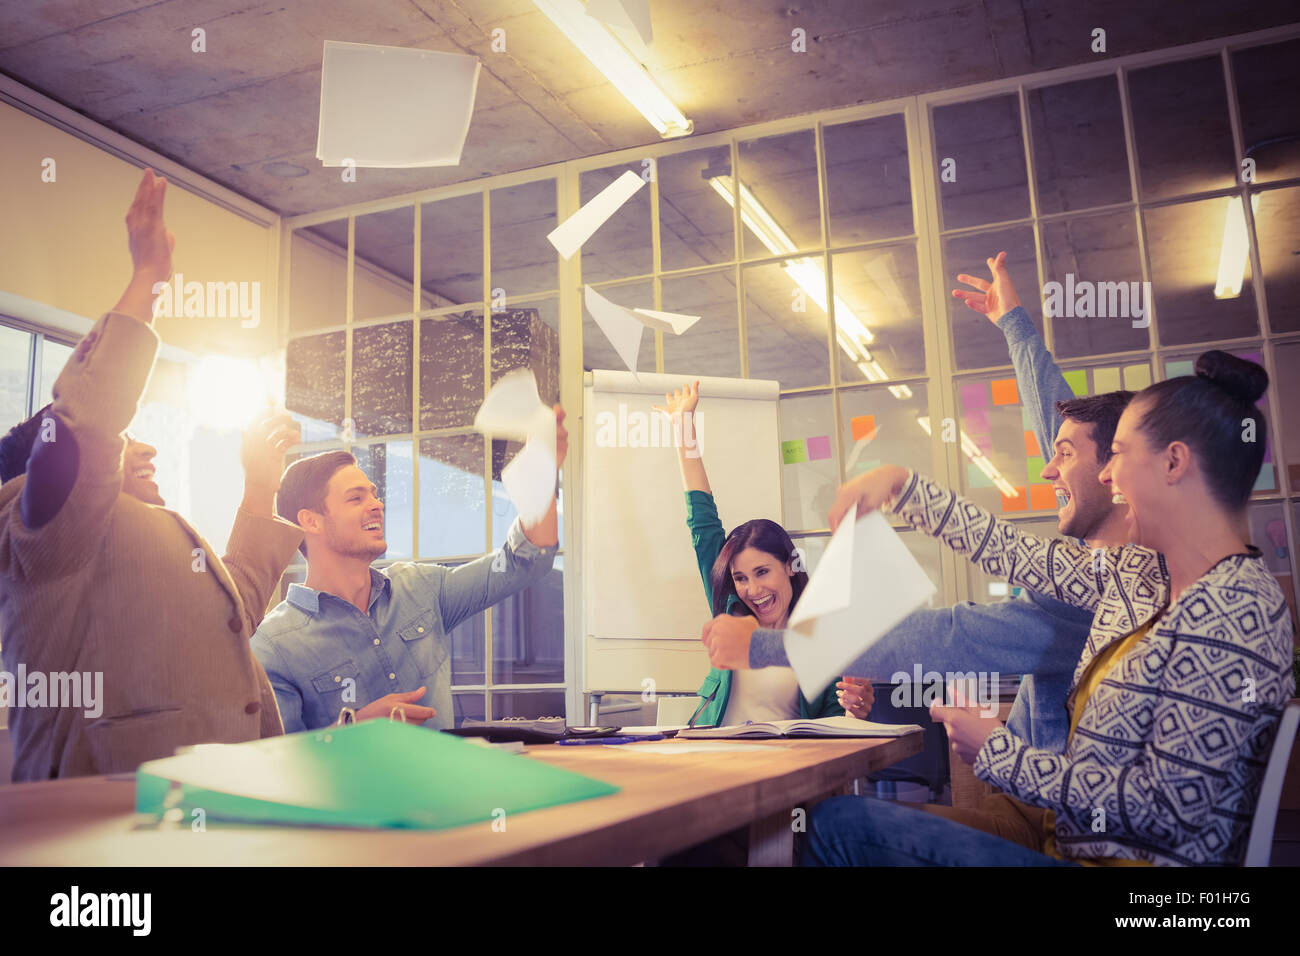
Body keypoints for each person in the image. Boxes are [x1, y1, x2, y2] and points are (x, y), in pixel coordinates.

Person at [791, 350, 1294, 866]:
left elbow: (1167, 812)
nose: (1107, 476)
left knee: (836, 825)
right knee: (838, 824)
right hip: (1067, 844)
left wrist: (998, 753)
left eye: (1119, 454)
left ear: (1173, 463)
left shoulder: (1233, 612)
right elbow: (1013, 552)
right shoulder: (1142, 574)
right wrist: (900, 485)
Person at [705, 252, 1131, 753]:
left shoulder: (1094, 595)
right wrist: (1016, 328)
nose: (1048, 469)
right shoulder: (1094, 567)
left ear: (1115, 472)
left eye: (1065, 455)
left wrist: (762, 647)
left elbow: (948, 636)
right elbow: (1062, 434)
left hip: (1042, 790)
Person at [0, 169, 305, 781]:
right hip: (105, 818)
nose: (141, 450)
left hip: (210, 806)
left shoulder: (140, 540)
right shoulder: (45, 538)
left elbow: (233, 611)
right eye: (122, 443)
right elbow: (85, 424)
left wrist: (259, 485)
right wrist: (148, 280)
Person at [251, 420, 565, 733]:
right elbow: (278, 755)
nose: (377, 505)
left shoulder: (421, 588)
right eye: (356, 498)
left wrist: (542, 474)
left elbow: (524, 561)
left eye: (373, 495)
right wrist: (356, 727)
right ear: (311, 521)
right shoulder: (273, 645)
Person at [652, 381, 863, 725]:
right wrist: (683, 427)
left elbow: (836, 719)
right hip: (717, 750)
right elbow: (702, 521)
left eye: (762, 572)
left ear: (790, 566)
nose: (752, 590)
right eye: (741, 578)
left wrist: (854, 710)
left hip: (786, 756)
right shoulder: (729, 609)